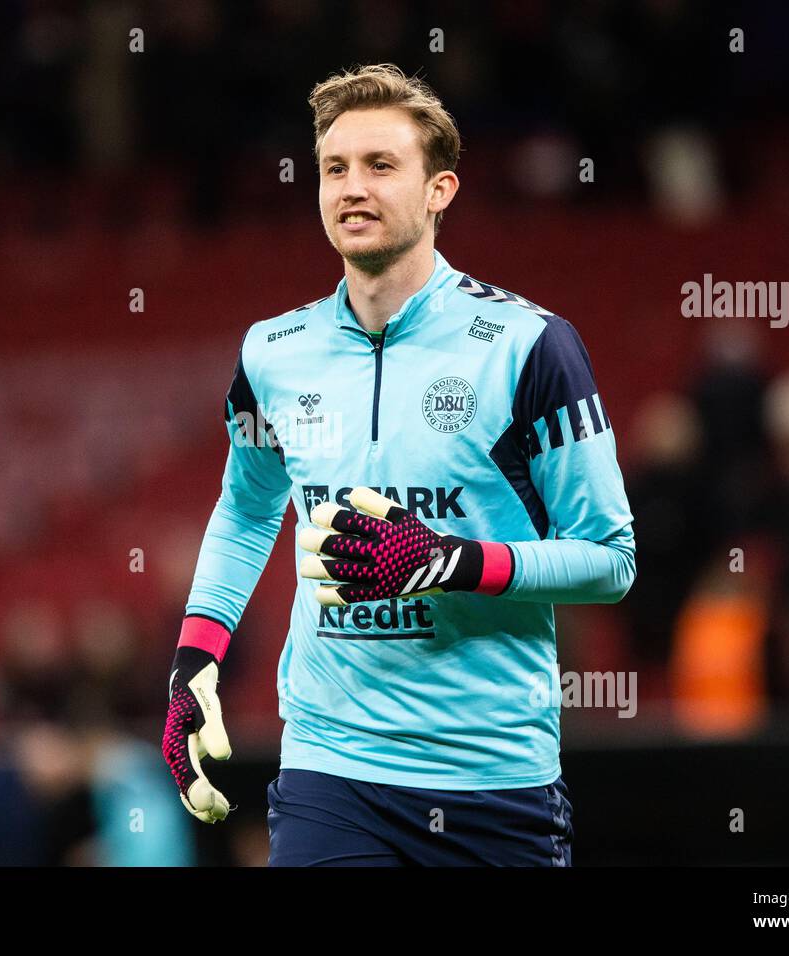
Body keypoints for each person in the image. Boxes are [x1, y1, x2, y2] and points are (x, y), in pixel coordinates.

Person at [162, 64, 636, 866]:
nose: (353, 187)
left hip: (495, 776)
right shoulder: (272, 353)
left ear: (440, 189)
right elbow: (247, 509)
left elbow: (610, 561)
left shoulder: (531, 348)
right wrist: (193, 659)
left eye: (382, 166)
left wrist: (449, 562)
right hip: (329, 767)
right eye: (335, 168)